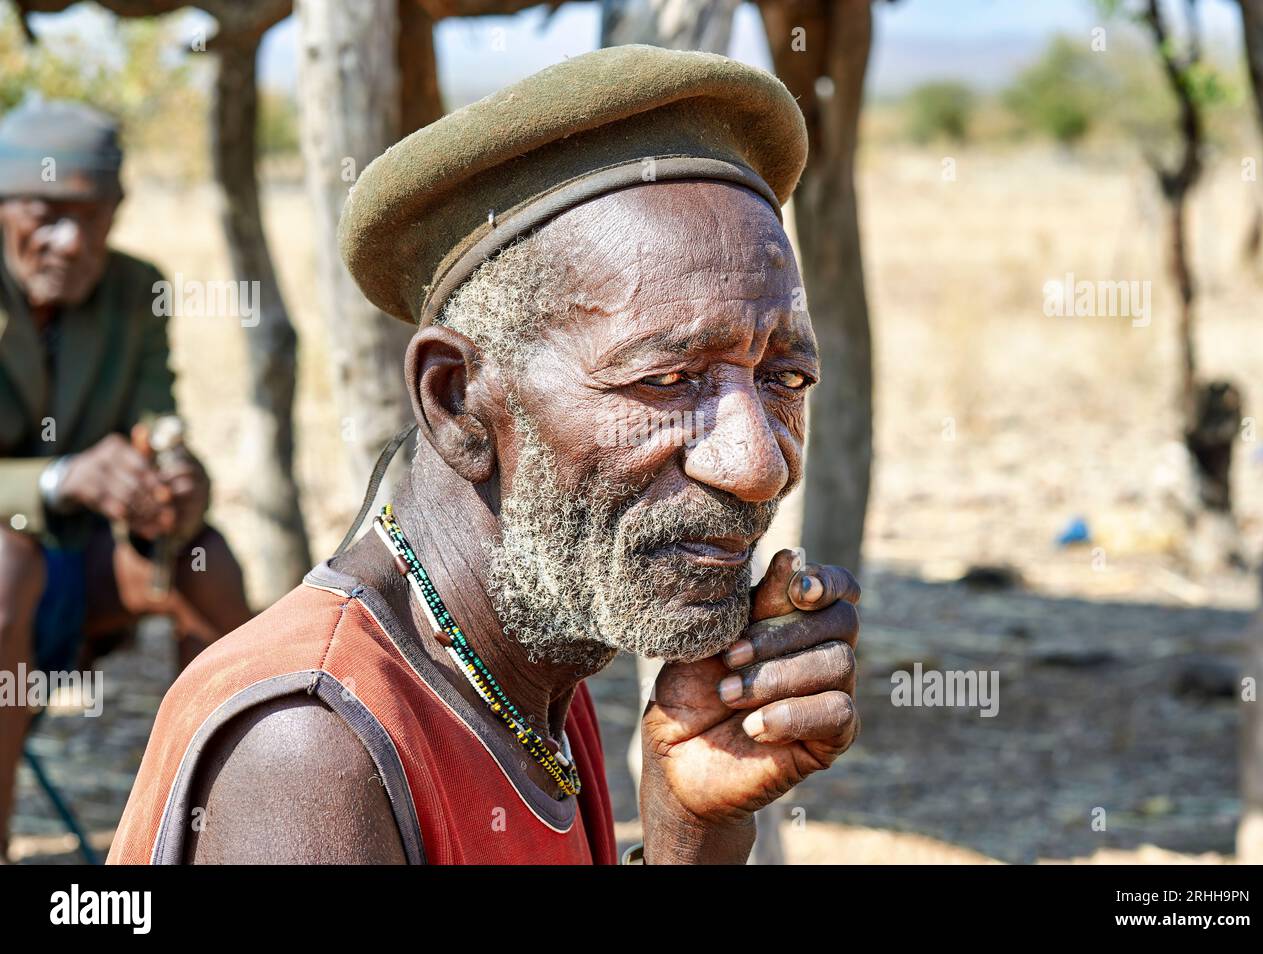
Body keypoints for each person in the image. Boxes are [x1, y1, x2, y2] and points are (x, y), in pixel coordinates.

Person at [109, 45, 861, 865]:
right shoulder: (315, 747)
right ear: (456, 401)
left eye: (786, 376)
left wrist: (692, 832)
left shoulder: (530, 670)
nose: (758, 464)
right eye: (669, 379)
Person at [0, 98, 252, 861]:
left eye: (95, 216)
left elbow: (160, 420)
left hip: (84, 569)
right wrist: (63, 477)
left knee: (207, 566)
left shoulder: (137, 288)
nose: (71, 242)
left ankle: (223, 830)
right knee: (6, 564)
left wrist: (178, 485)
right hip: (12, 578)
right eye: (46, 214)